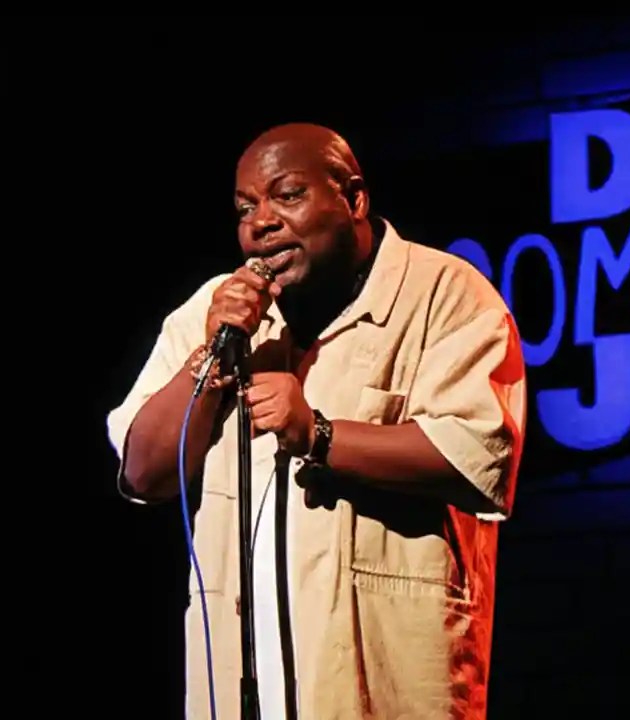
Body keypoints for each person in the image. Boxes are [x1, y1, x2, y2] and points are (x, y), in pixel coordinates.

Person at [106, 122, 526, 719]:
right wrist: (210, 359)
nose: (261, 221)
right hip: (239, 686)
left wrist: (318, 434)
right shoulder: (215, 307)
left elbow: (478, 458)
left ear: (353, 198)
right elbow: (144, 470)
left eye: (288, 195)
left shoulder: (447, 294)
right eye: (245, 207)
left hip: (380, 685)